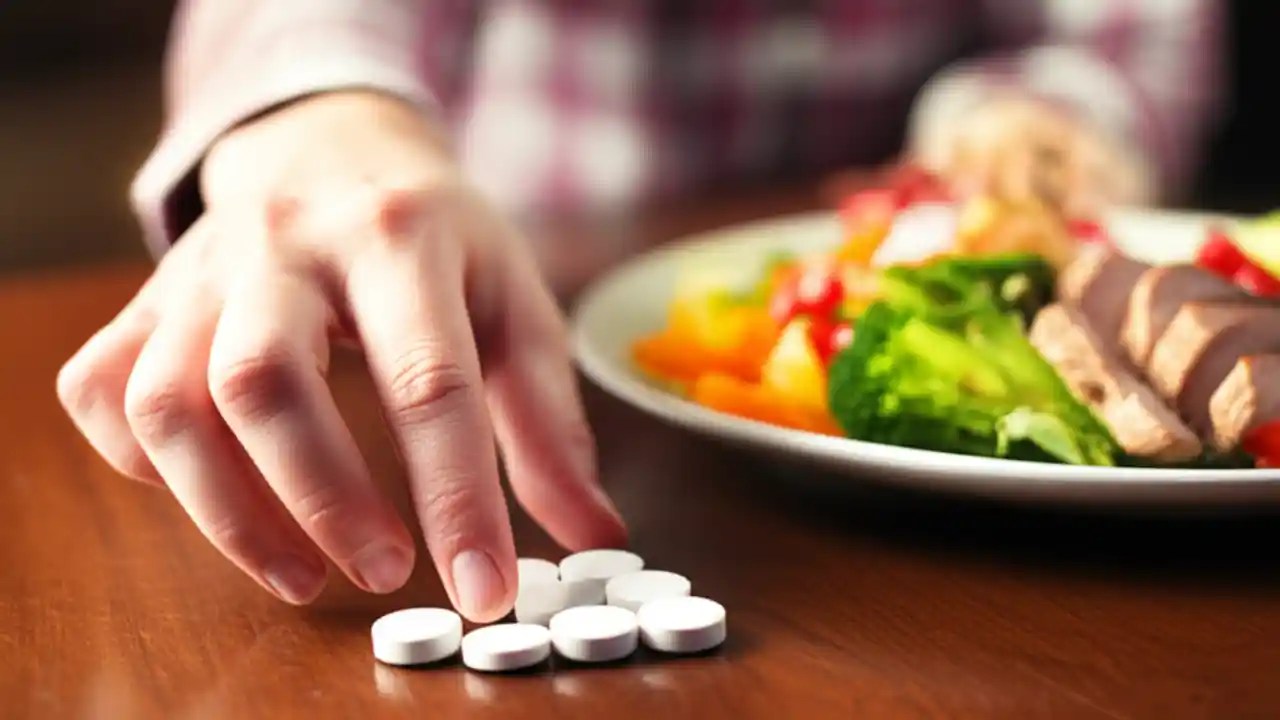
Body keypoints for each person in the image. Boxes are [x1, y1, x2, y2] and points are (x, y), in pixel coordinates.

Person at [56, 0, 1224, 621]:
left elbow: (1110, 37)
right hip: (497, 301)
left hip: (895, 272)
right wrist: (321, 112)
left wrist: (1048, 124)